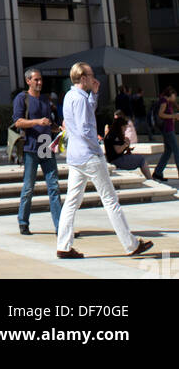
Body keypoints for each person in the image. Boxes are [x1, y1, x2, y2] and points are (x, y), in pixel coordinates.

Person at [56, 61, 153, 259]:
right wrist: (97, 149)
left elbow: (85, 115)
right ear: (83, 78)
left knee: (71, 202)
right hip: (89, 155)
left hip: (76, 156)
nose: (94, 79)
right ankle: (131, 244)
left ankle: (63, 246)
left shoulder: (71, 95)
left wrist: (95, 94)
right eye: (91, 75)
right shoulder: (80, 99)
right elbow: (85, 127)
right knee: (110, 200)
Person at [13, 68, 63, 236]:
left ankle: (60, 226)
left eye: (40, 80)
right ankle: (23, 221)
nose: (39, 82)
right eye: (36, 80)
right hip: (30, 146)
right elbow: (18, 122)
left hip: (46, 145)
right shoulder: (22, 98)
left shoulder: (45, 99)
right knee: (28, 187)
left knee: (54, 186)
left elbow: (48, 122)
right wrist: (37, 122)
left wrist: (57, 128)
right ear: (28, 81)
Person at [104, 109, 151, 178]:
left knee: (139, 158)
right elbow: (118, 150)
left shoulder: (113, 134)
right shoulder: (114, 136)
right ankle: (149, 178)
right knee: (141, 159)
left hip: (115, 159)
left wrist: (127, 148)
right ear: (121, 127)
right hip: (116, 160)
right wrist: (125, 144)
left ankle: (149, 177)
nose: (125, 130)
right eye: (124, 128)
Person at [153, 86, 179, 183]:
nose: (175, 97)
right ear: (170, 94)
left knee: (168, 152)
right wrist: (173, 116)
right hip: (168, 129)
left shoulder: (167, 102)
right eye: (174, 95)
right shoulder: (164, 101)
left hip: (167, 129)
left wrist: (173, 117)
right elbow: (161, 114)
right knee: (176, 151)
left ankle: (158, 172)